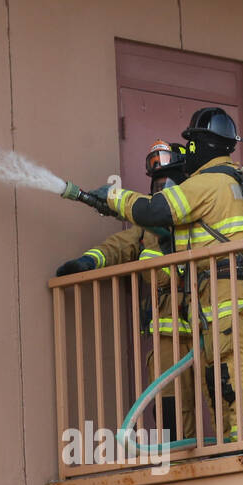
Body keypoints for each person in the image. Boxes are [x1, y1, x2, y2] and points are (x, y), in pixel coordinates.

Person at [105, 107, 243, 443]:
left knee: (234, 368)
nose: (188, 150)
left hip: (223, 294)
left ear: (203, 145)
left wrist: (112, 197)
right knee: (221, 373)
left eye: (191, 142)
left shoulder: (208, 183)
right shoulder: (236, 181)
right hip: (222, 296)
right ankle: (231, 441)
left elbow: (155, 209)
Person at [56, 141, 197, 439]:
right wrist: (86, 262)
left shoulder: (201, 222)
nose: (162, 191)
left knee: (219, 393)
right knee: (169, 403)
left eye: (169, 182)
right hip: (166, 335)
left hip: (207, 329)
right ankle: (179, 458)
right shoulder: (148, 227)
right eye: (157, 184)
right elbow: (120, 245)